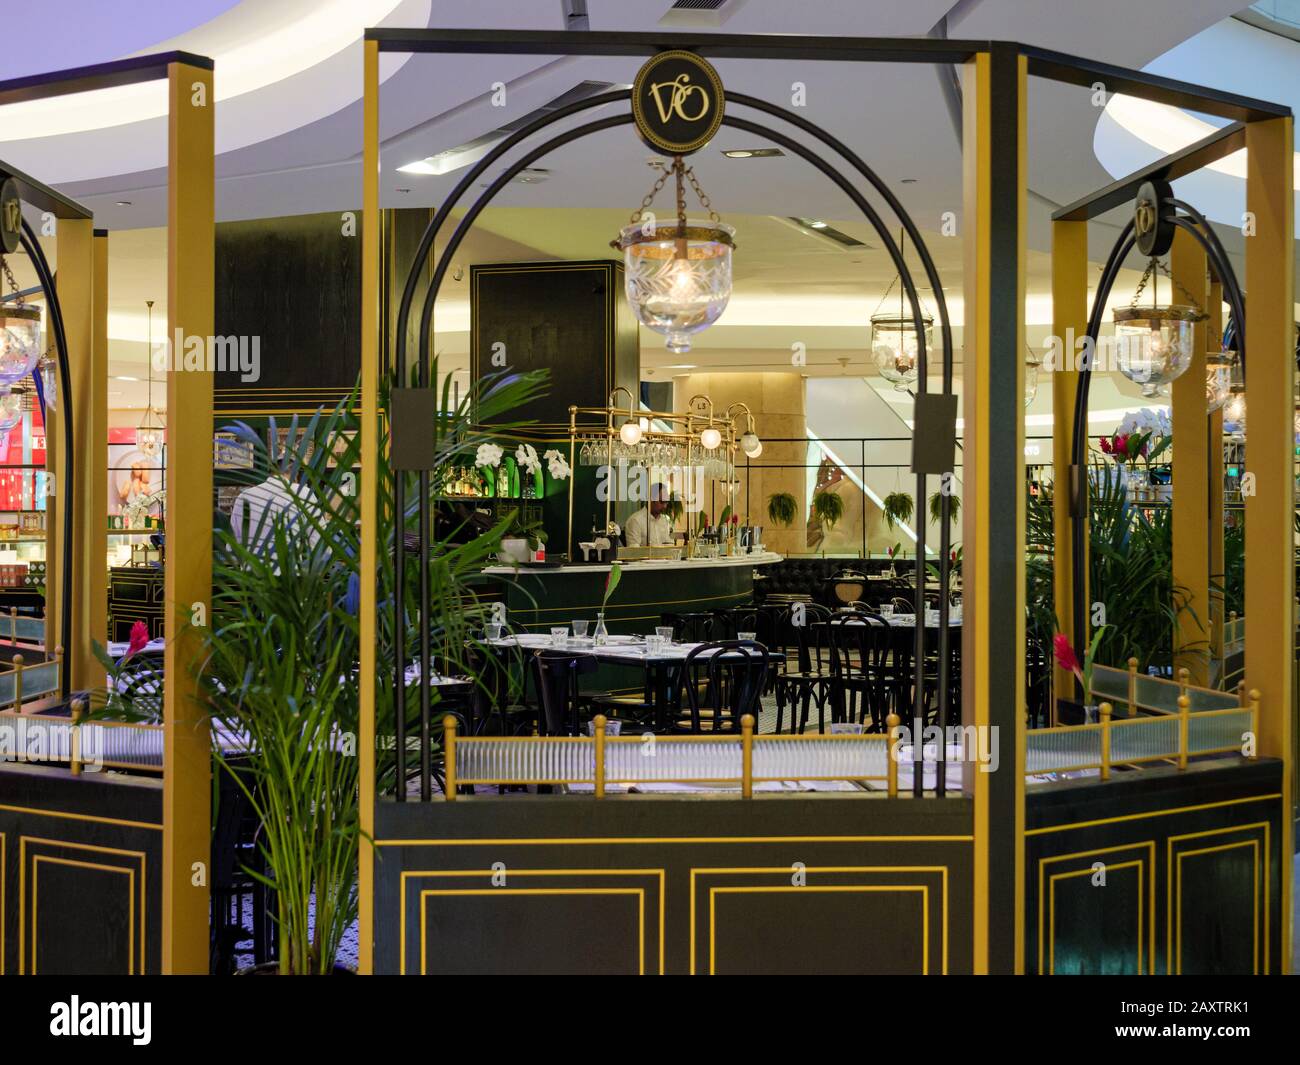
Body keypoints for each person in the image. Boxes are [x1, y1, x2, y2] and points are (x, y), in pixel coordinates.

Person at [624, 482, 674, 547]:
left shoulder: (664, 521)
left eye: (666, 502)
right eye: (662, 502)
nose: (665, 506)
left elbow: (669, 545)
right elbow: (634, 552)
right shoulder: (635, 521)